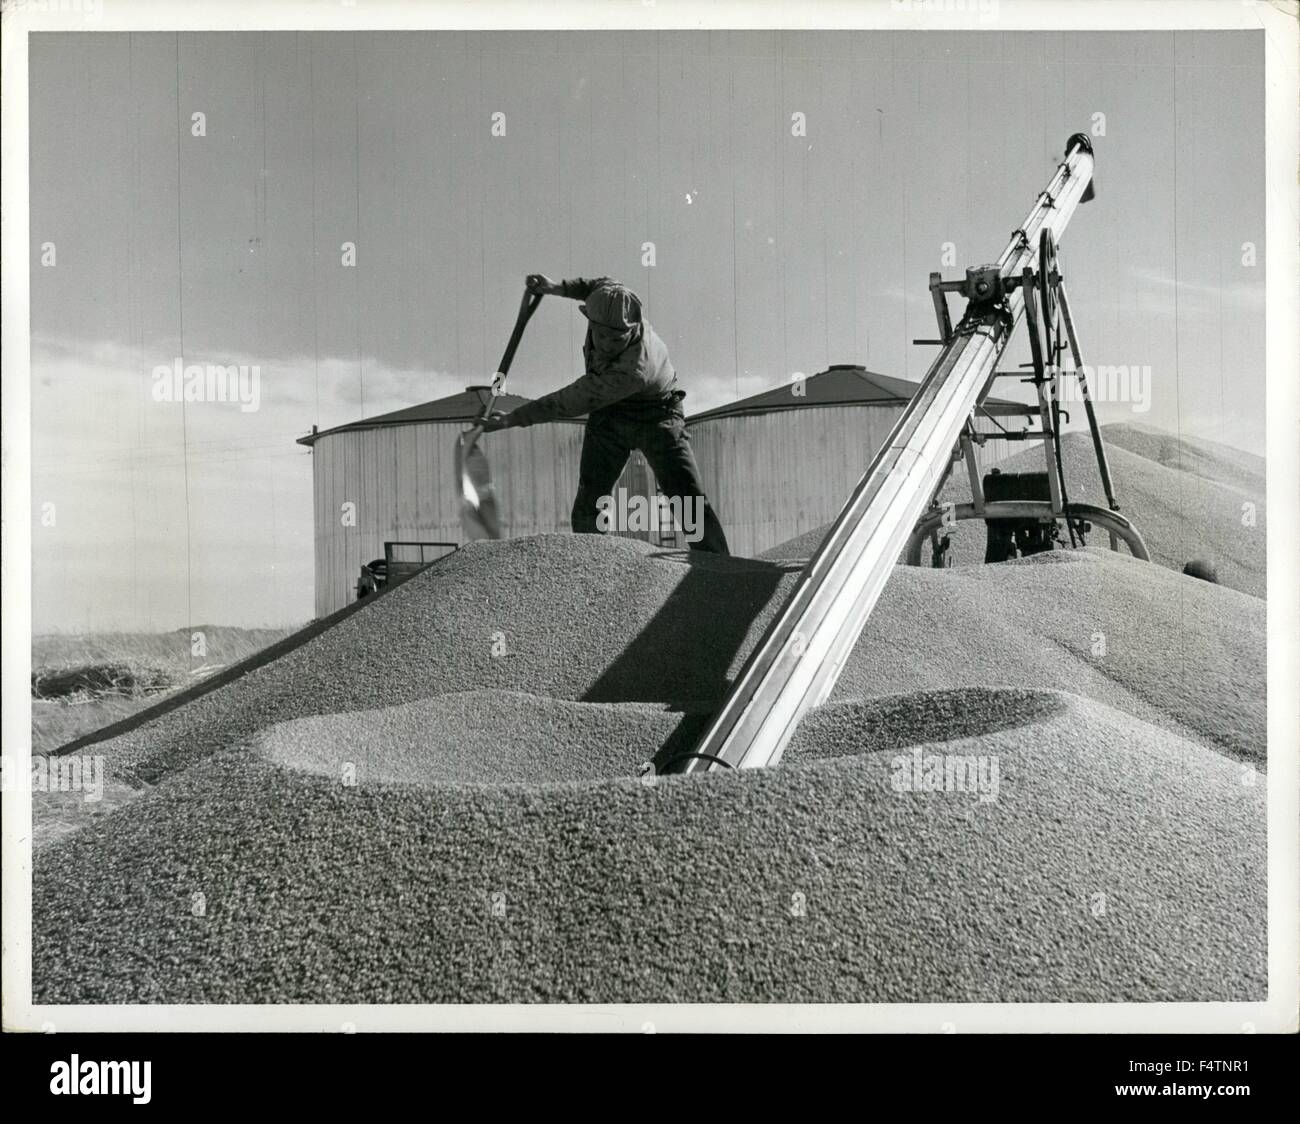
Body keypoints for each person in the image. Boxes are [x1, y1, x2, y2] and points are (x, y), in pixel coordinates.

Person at [481, 274, 730, 554]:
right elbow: (590, 287)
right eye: (601, 335)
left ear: (631, 329)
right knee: (590, 498)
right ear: (589, 319)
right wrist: (555, 287)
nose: (608, 344)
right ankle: (592, 561)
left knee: (687, 499)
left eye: (617, 338)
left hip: (657, 416)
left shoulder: (632, 369)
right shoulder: (608, 295)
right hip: (609, 415)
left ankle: (720, 566)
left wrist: (512, 418)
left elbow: (569, 400)